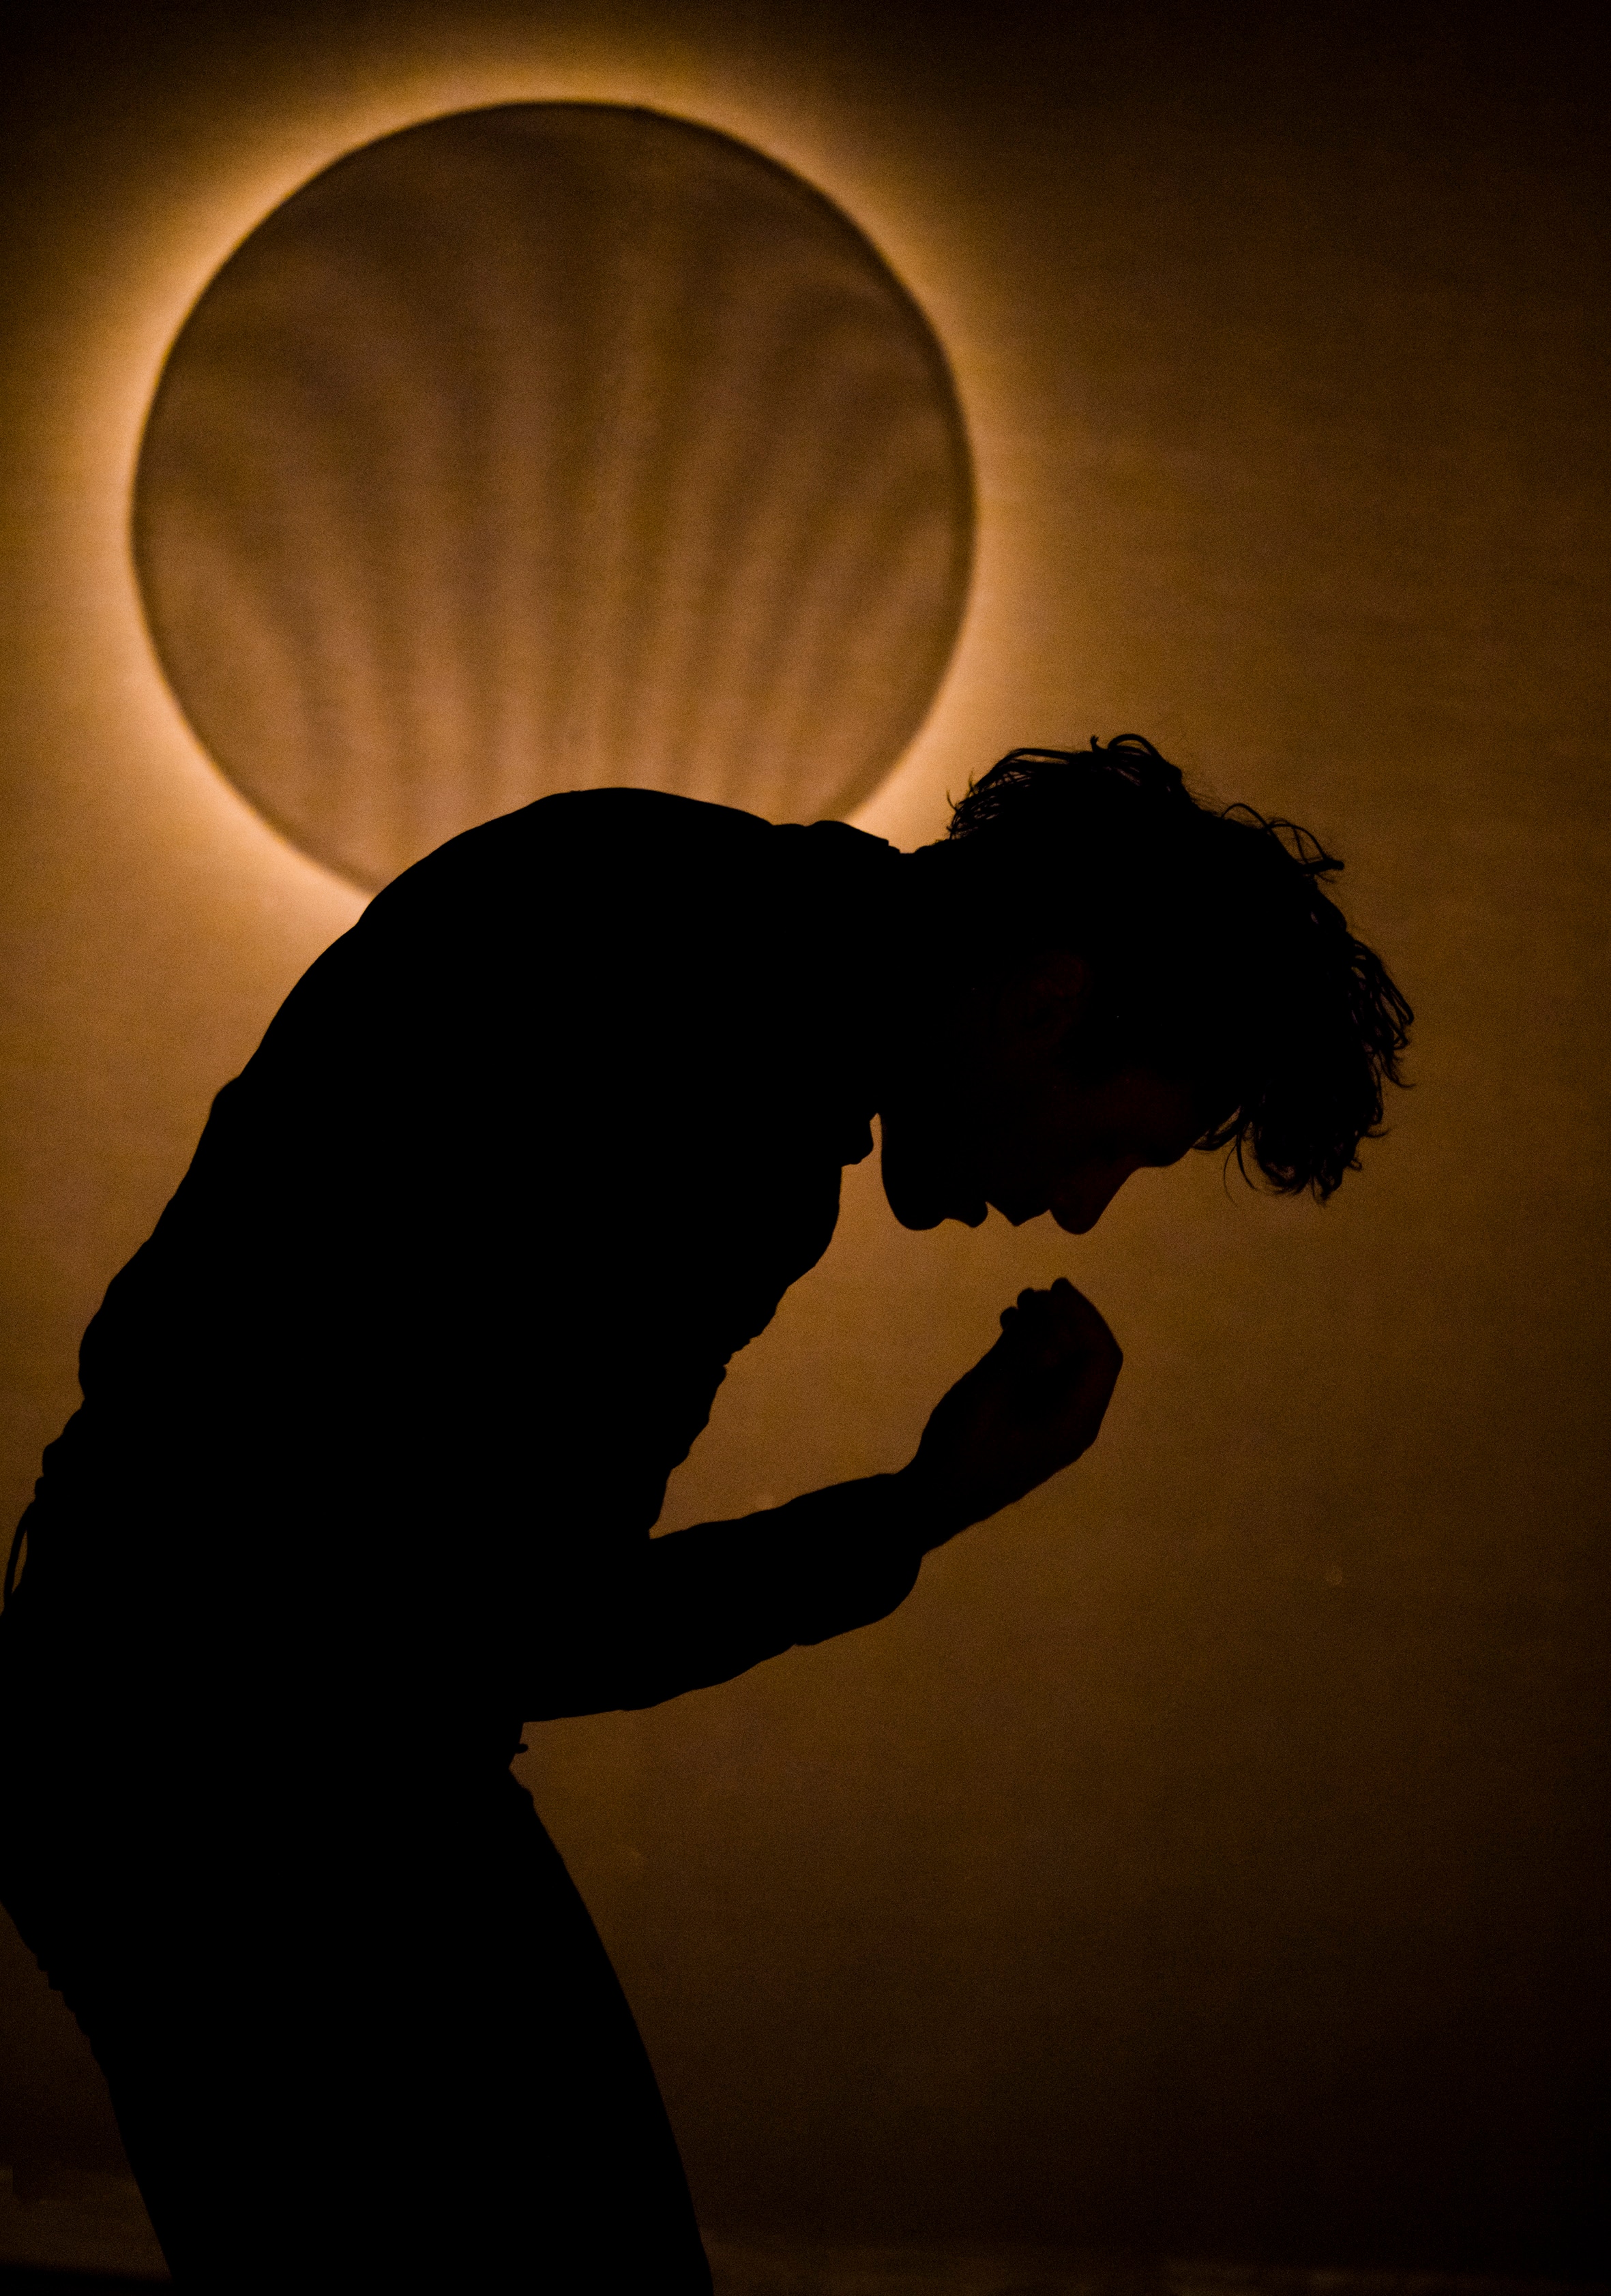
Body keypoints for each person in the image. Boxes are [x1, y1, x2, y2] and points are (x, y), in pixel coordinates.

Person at [0, 736, 1410, 2288]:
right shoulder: (729, 1102)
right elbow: (526, 1627)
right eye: (1105, 1147)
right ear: (1041, 1001)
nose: (1076, 1207)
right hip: (250, 1780)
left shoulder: (653, 885)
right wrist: (915, 1512)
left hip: (184, 1727)